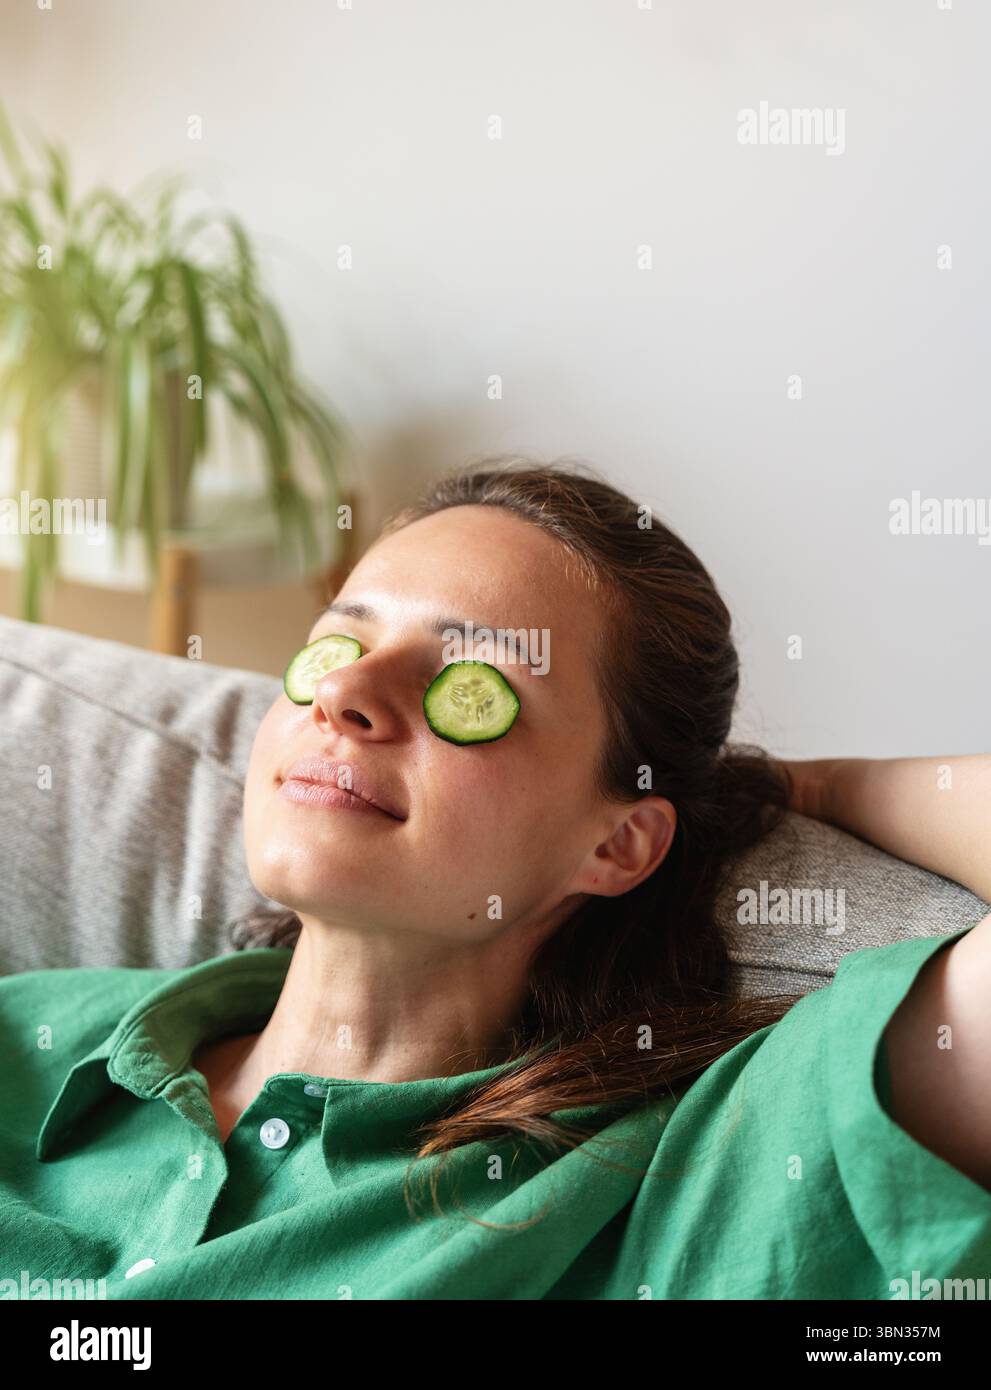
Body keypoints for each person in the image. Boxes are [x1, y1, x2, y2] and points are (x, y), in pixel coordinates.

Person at [1, 458, 988, 1301]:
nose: (342, 690)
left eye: (474, 682)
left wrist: (803, 784)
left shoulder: (674, 1178)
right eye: (341, 640)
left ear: (619, 844)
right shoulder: (30, 1038)